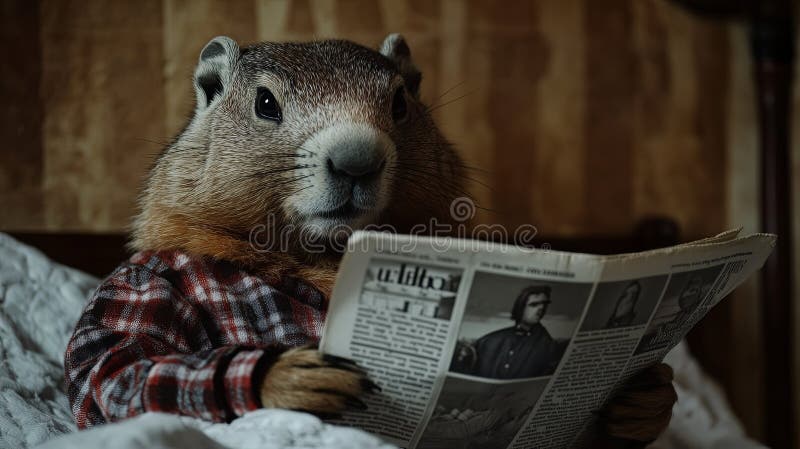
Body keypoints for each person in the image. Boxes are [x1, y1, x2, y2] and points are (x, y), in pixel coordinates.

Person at [461, 285, 562, 379]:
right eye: (534, 304)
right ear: (521, 307)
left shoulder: (549, 347)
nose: (541, 308)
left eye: (544, 305)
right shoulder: (487, 341)